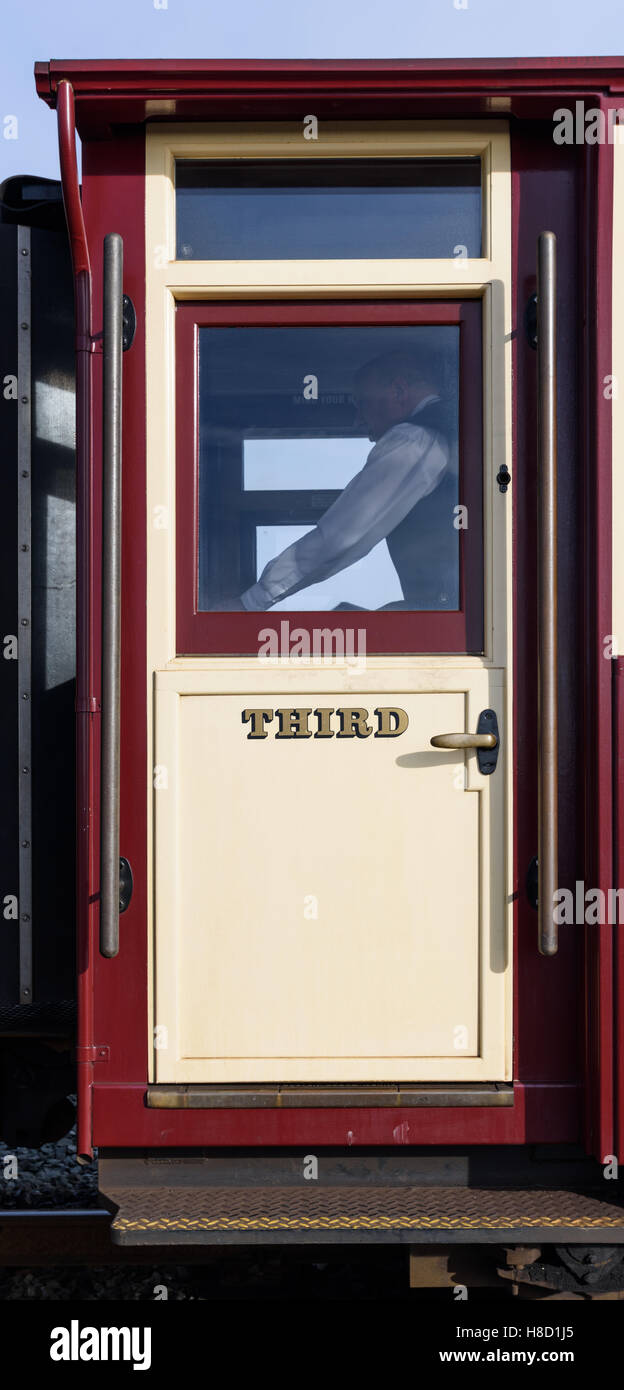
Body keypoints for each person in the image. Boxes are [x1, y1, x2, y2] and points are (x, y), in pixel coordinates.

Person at [221, 348, 459, 612]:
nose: (358, 421)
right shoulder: (447, 429)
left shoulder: (413, 439)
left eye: (362, 404)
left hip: (448, 619)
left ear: (399, 391)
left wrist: (250, 602)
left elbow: (341, 537)